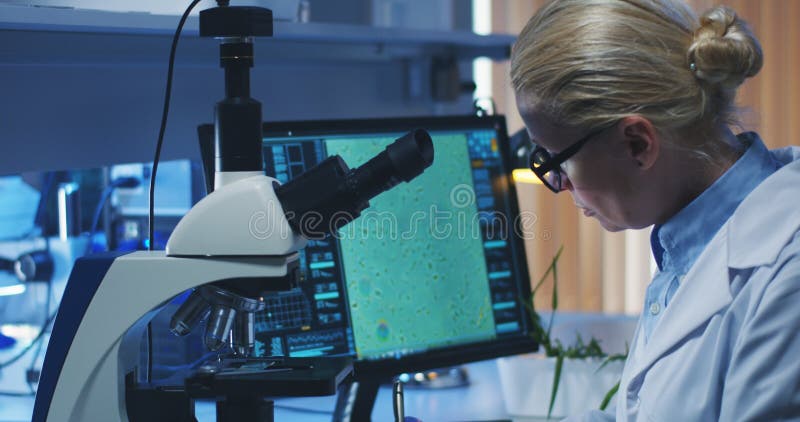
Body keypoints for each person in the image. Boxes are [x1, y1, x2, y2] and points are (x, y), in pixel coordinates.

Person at [510, 0, 800, 420]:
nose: (560, 185)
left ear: (637, 144)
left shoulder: (784, 276)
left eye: (555, 160)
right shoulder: (692, 242)